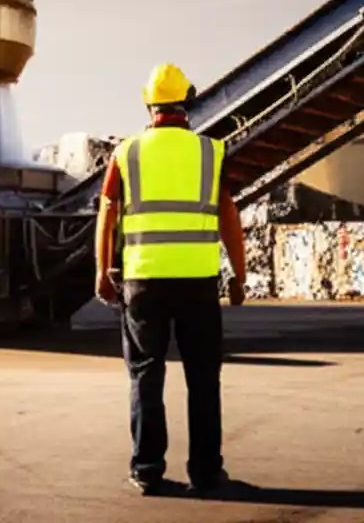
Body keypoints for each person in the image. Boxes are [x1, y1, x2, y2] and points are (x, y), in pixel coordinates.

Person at [94, 62, 248, 497]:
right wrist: (239, 274)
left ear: (149, 105)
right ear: (188, 102)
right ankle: (206, 472)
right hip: (198, 281)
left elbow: (108, 214)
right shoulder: (210, 152)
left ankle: (147, 470)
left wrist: (102, 272)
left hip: (143, 282)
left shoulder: (127, 153)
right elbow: (228, 213)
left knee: (146, 374)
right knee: (203, 378)